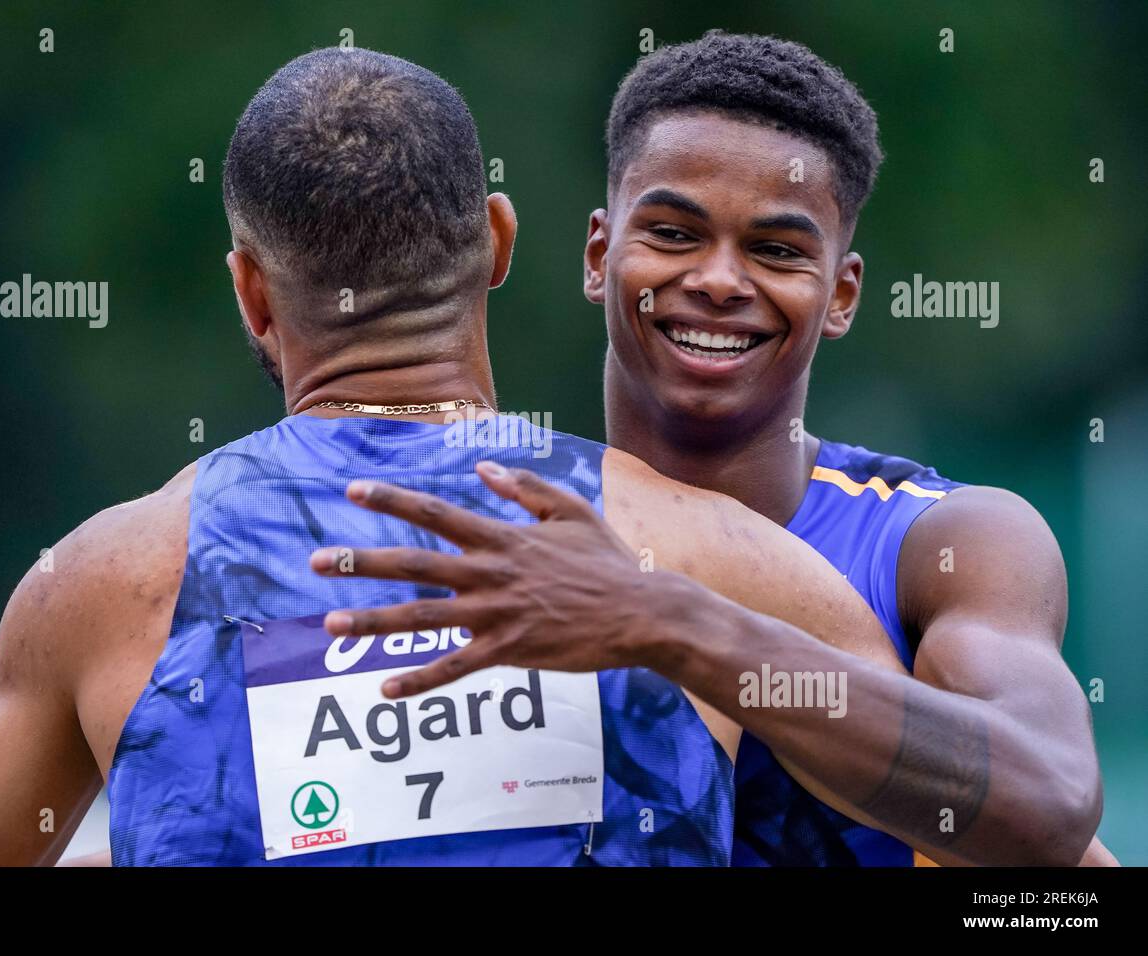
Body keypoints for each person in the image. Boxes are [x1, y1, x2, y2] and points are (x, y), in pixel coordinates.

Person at [0, 47, 902, 867]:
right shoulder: (696, 546)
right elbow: (1010, 828)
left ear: (250, 291)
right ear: (499, 241)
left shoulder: (106, 582)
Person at [325, 31, 1110, 866]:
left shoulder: (944, 543)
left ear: (840, 294)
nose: (719, 281)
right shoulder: (491, 525)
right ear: (599, 255)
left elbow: (1051, 806)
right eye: (672, 233)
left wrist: (668, 619)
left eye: (776, 250)